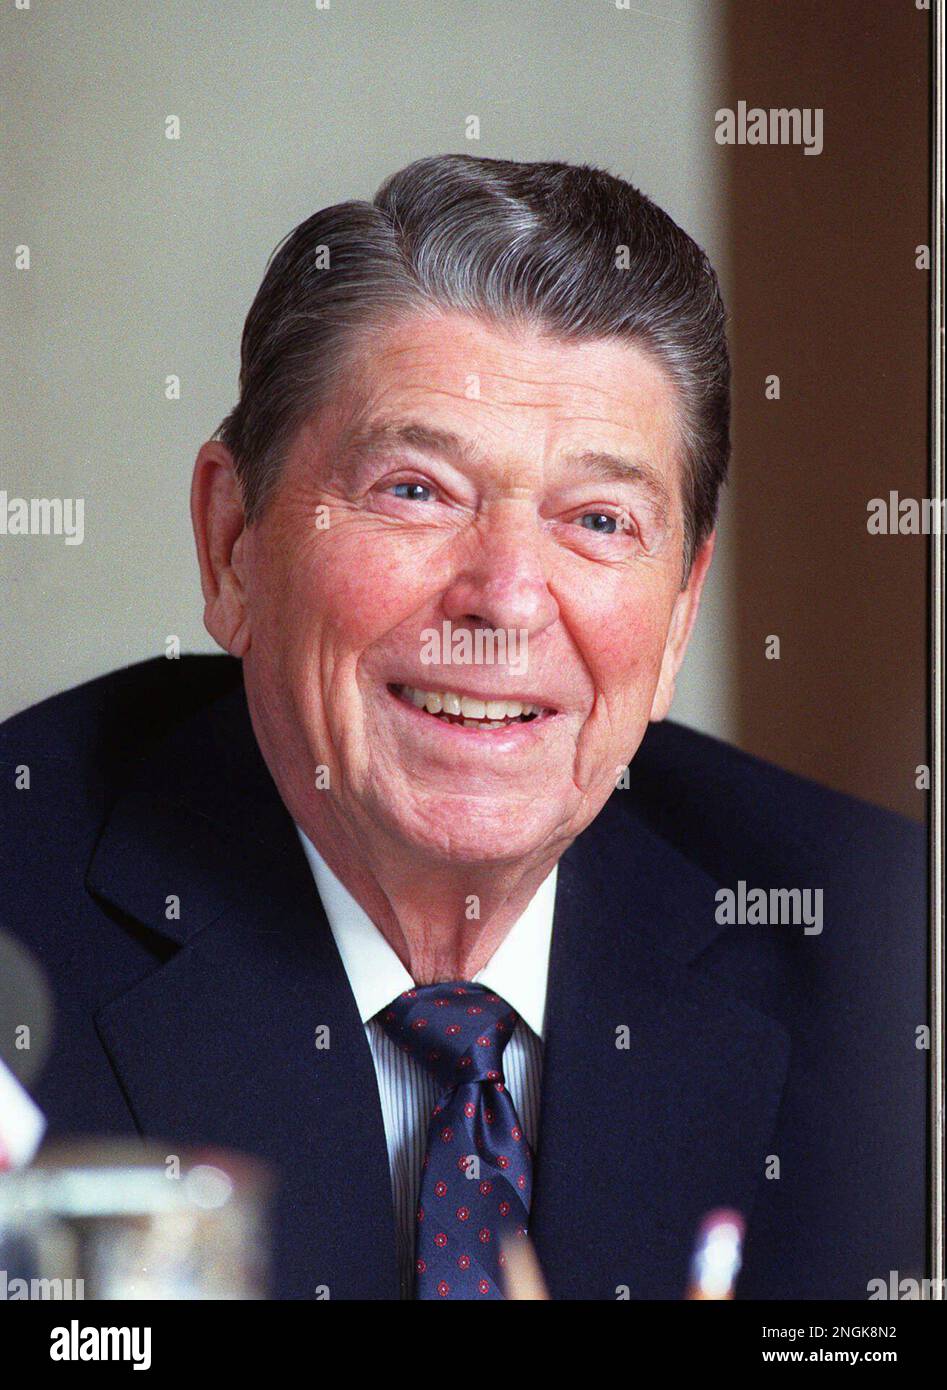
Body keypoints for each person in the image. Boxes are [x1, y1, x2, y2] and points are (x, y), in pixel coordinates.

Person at [0, 154, 926, 1300]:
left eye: (597, 519)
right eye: (415, 490)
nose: (504, 595)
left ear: (681, 605)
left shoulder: (890, 964)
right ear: (233, 541)